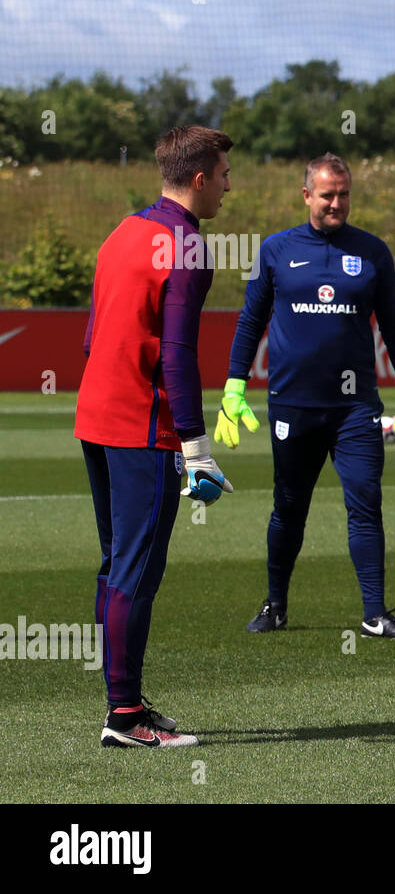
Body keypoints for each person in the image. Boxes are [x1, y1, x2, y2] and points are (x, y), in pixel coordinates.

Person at [219, 152, 395, 638]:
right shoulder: (275, 250)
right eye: (327, 194)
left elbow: (394, 325)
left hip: (355, 408)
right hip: (293, 404)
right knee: (289, 506)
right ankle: (275, 605)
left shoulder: (373, 253)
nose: (336, 203)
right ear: (307, 195)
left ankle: (375, 613)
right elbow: (251, 321)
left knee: (366, 501)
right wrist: (233, 385)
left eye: (344, 194)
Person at [76, 125, 236, 748]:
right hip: (142, 424)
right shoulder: (188, 244)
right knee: (136, 570)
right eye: (224, 174)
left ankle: (124, 698)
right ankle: (123, 716)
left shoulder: (122, 231)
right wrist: (195, 446)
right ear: (199, 177)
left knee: (117, 563)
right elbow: (177, 352)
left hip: (96, 414)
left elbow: (91, 338)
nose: (230, 185)